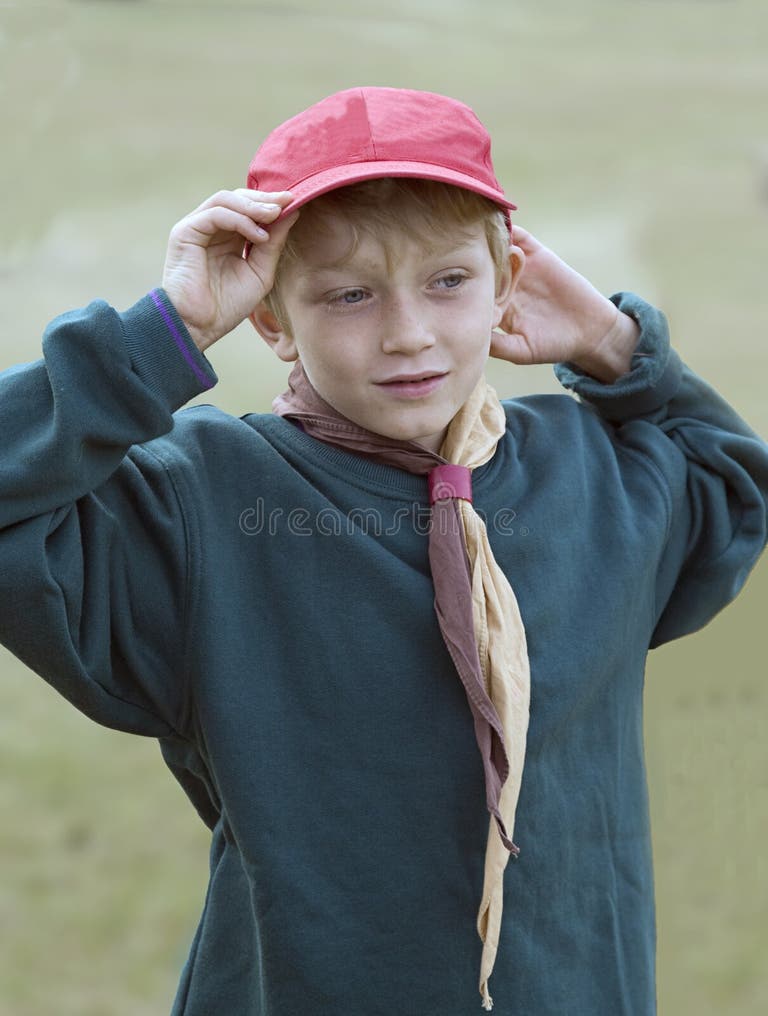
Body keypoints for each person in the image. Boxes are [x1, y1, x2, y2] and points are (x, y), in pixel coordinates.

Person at [0, 86, 766, 1015]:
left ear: (506, 283)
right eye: (349, 295)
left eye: (449, 281)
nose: (408, 334)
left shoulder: (589, 472)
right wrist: (163, 335)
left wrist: (614, 343)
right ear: (272, 319)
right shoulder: (200, 504)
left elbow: (735, 487)